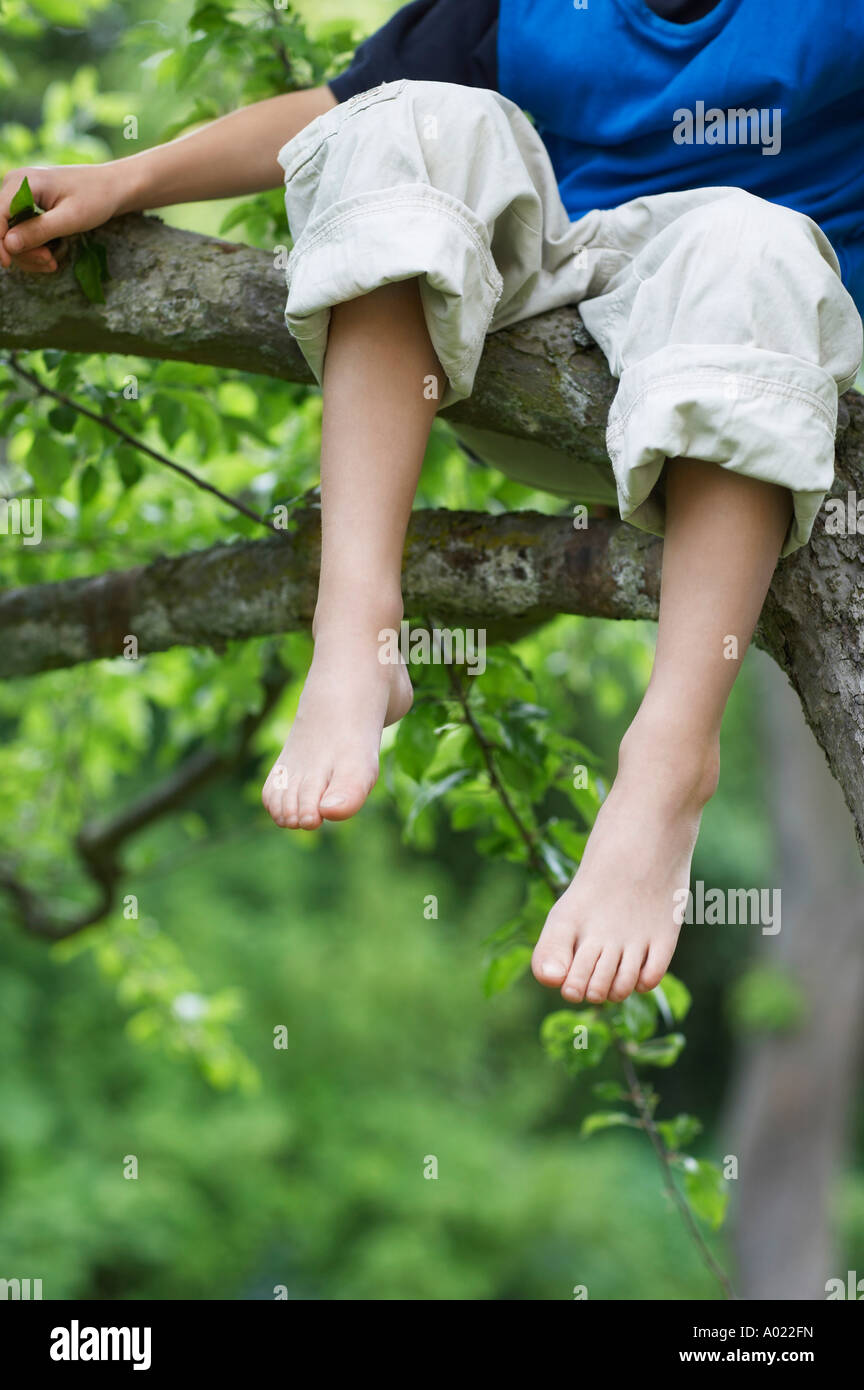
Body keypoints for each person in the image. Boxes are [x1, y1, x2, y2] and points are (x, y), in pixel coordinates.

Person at [3, 0, 861, 1005]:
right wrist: (125, 177)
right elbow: (335, 106)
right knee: (404, 117)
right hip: (532, 338)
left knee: (747, 245)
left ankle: (669, 763)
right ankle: (355, 620)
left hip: (744, 375)